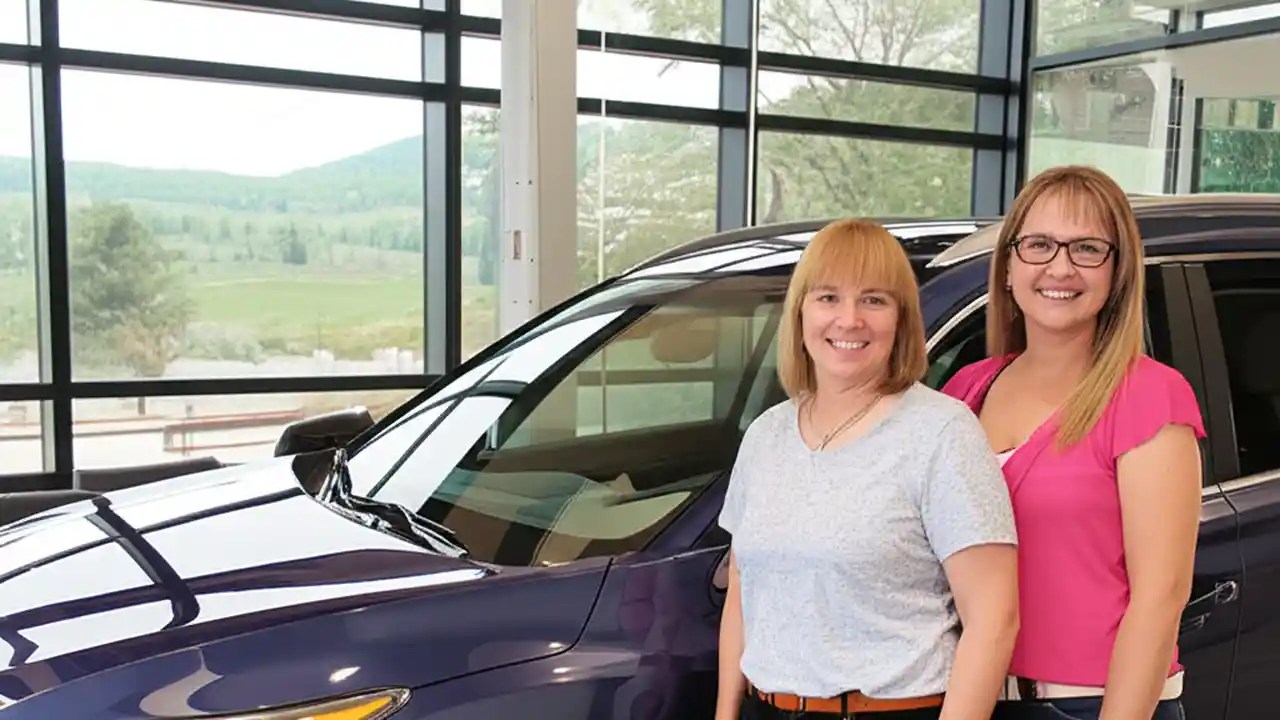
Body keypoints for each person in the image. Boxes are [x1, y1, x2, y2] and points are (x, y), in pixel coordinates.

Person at [715, 218, 1020, 720]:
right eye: (828, 297)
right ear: (800, 313)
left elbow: (994, 620)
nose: (849, 320)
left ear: (901, 319)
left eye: (874, 300)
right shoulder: (767, 436)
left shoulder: (941, 433)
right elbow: (744, 596)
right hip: (764, 707)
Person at [941, 165, 1205, 720]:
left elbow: (1159, 603)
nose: (1059, 267)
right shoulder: (966, 390)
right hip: (972, 695)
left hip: (1093, 707)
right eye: (1038, 245)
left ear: (1117, 272)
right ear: (1009, 265)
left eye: (1086, 248)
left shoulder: (1151, 396)